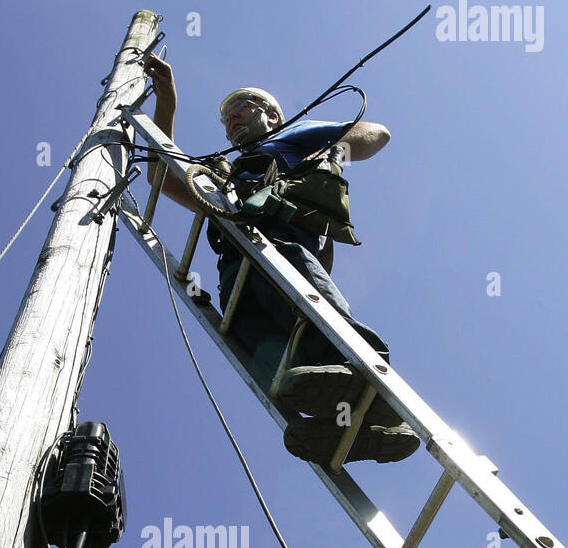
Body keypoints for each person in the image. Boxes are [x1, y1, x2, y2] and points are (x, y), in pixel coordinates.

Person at [143, 55, 419, 467]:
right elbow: (159, 177)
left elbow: (378, 133)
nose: (232, 120)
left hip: (278, 244)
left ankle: (370, 385)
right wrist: (167, 101)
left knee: (314, 322)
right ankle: (358, 430)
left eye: (242, 109)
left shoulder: (290, 139)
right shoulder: (222, 176)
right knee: (268, 360)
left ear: (271, 115)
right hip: (236, 273)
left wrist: (330, 153)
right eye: (226, 118)